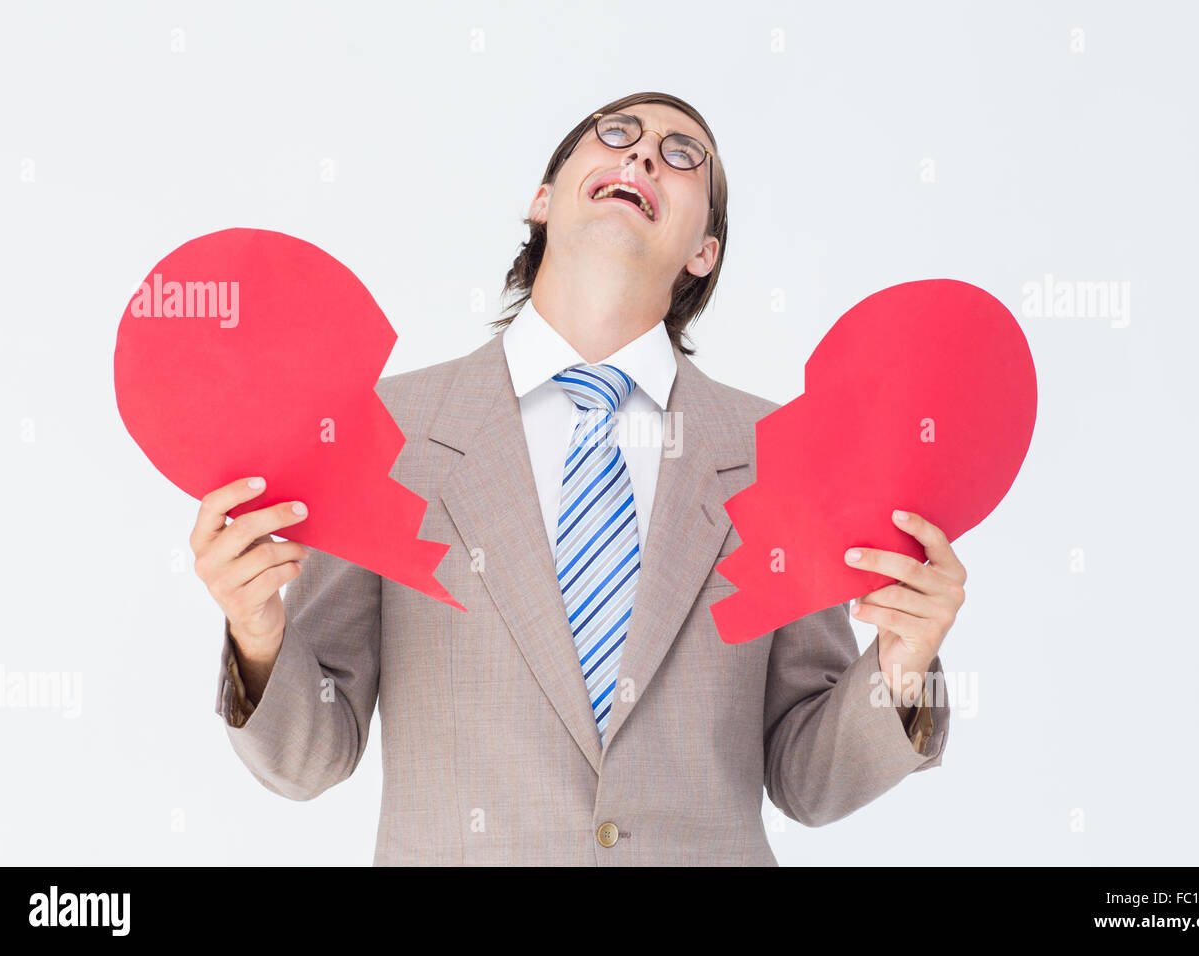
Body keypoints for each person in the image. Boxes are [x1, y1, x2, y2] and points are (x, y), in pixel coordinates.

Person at [192, 91, 966, 865]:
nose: (643, 155)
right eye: (617, 134)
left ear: (705, 250)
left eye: (682, 153)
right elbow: (312, 757)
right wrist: (258, 635)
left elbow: (809, 781)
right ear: (542, 200)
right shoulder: (387, 433)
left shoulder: (777, 453)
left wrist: (902, 666)